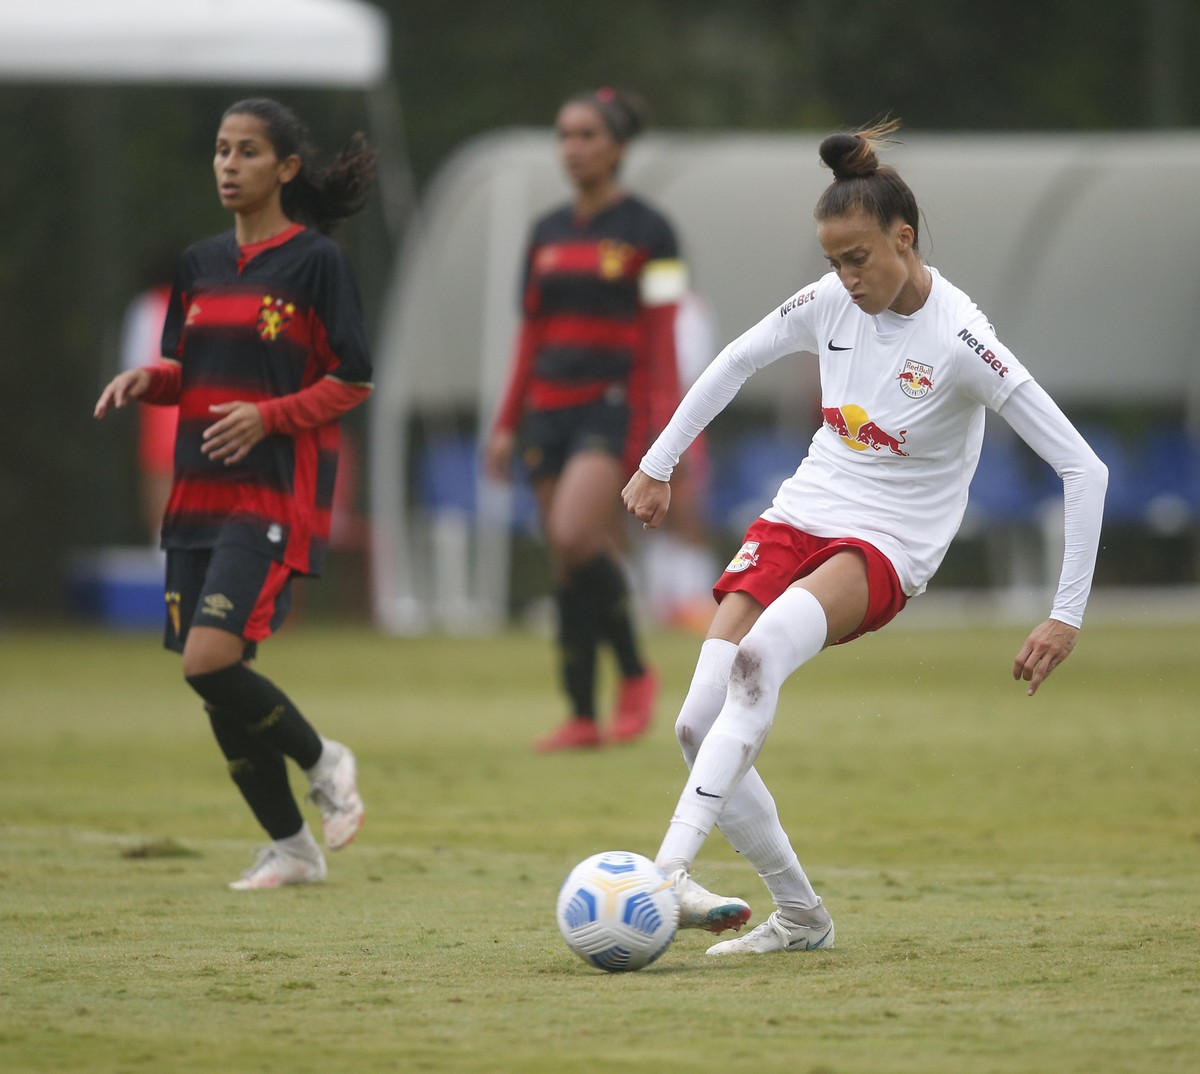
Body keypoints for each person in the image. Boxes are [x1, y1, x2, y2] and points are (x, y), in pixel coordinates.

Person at [622, 119, 1109, 953]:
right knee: (697, 725)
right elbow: (734, 361)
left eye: (859, 259)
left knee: (756, 659)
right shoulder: (826, 304)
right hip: (799, 512)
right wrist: (657, 463)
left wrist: (1064, 615)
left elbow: (1084, 469)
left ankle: (664, 873)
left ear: (903, 239)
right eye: (833, 262)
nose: (845, 279)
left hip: (886, 544)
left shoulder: (962, 342)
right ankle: (803, 917)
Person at [94, 98, 376, 890]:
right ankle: (291, 848)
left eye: (247, 151)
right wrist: (153, 380)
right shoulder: (200, 263)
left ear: (286, 168)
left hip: (270, 494)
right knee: (214, 681)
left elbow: (353, 378)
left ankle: (326, 759)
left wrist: (270, 418)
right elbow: (197, 373)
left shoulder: (316, 262)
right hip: (196, 496)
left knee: (209, 661)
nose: (228, 164)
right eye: (221, 150)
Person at [484, 87, 688, 752]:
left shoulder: (651, 232)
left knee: (576, 534)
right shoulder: (543, 233)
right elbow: (529, 337)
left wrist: (665, 427)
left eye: (587, 136)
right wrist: (506, 422)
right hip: (545, 410)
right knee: (569, 565)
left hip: (609, 407)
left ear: (618, 147)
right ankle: (580, 714)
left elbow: (662, 335)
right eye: (565, 135)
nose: (573, 148)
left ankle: (634, 674)